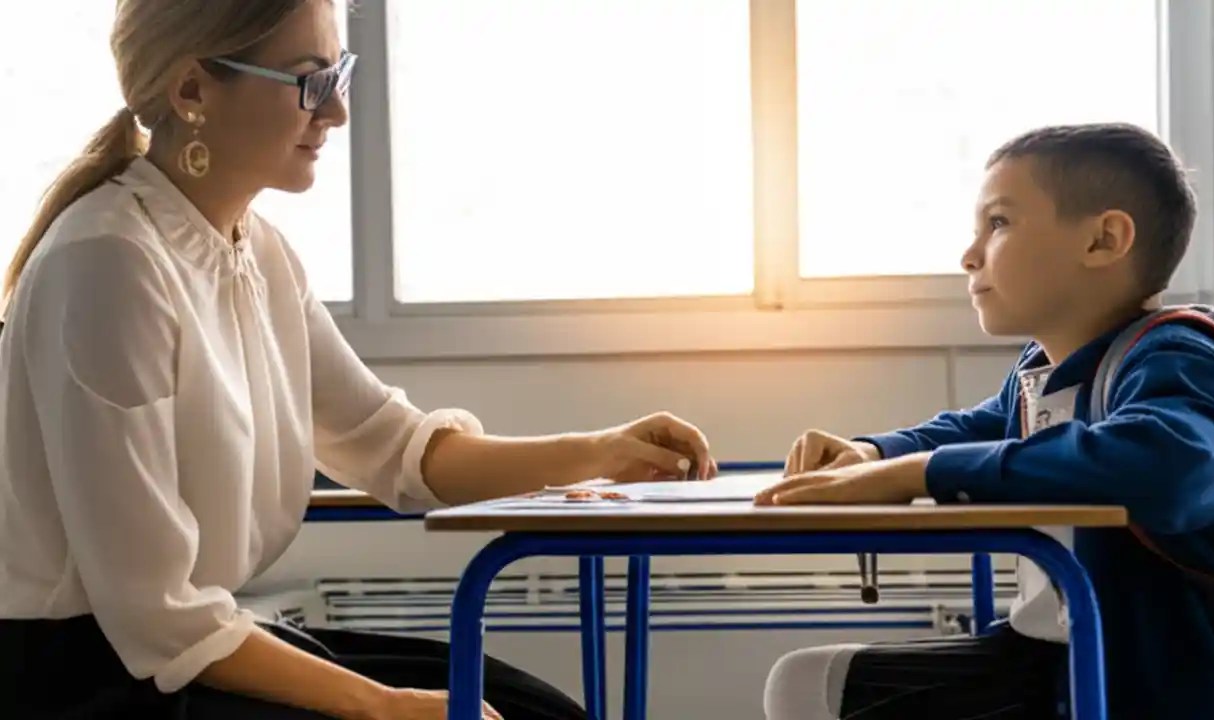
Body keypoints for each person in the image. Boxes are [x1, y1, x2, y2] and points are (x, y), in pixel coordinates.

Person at [0, 2, 717, 719]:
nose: (337, 111)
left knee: (533, 710)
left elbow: (393, 447)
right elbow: (155, 614)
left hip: (187, 652)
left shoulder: (257, 253)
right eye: (309, 81)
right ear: (191, 92)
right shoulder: (108, 263)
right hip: (90, 679)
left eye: (338, 74)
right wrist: (386, 705)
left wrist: (600, 452)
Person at [756, 123, 1214, 719]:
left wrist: (921, 474)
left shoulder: (1178, 354)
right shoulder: (1045, 370)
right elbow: (972, 429)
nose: (969, 254)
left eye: (998, 223)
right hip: (1053, 658)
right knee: (808, 684)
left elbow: (1172, 467)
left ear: (1104, 240)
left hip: (1166, 683)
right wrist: (875, 454)